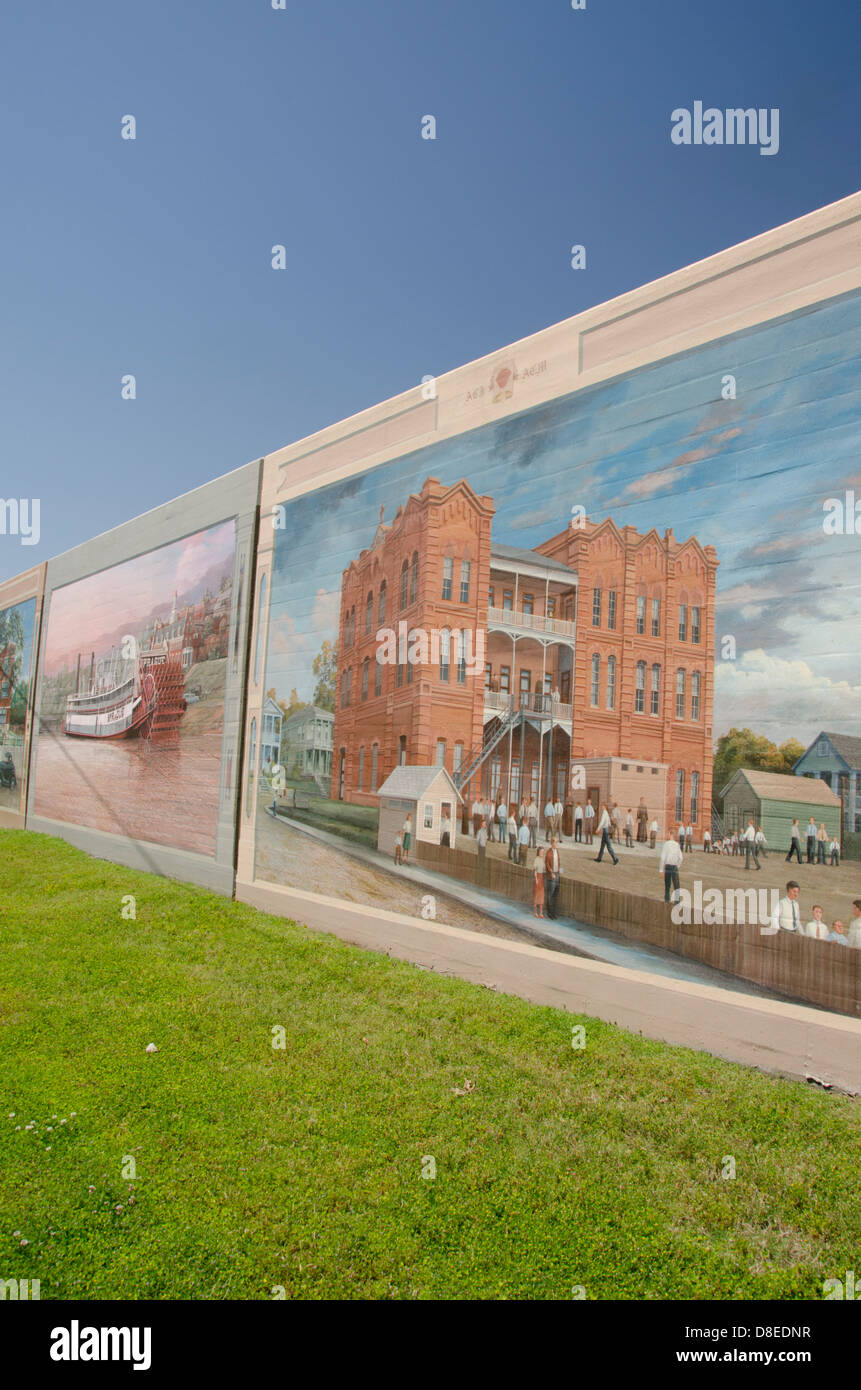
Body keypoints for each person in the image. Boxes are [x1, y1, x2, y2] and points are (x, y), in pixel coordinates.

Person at [659, 834, 683, 904]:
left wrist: (661, 870)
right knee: (676, 885)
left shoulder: (666, 844)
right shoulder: (677, 845)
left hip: (668, 866)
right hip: (674, 866)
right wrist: (677, 866)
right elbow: (681, 858)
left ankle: (667, 900)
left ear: (670, 836)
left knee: (667, 884)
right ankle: (677, 900)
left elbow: (663, 858)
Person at [544, 838, 561, 919]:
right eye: (555, 842)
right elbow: (547, 864)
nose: (556, 844)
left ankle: (554, 912)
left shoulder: (557, 851)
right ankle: (550, 912)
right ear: (552, 843)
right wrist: (551, 872)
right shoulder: (549, 852)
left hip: (557, 873)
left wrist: (560, 870)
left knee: (555, 894)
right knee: (550, 894)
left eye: (557, 842)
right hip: (552, 875)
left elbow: (558, 862)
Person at [532, 847, 546, 918]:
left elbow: (544, 869)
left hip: (542, 878)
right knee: (536, 895)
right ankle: (535, 912)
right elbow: (535, 870)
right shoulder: (536, 859)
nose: (542, 853)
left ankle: (541, 912)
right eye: (541, 852)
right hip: (537, 877)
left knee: (541, 895)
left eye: (543, 852)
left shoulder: (542, 860)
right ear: (538, 852)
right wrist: (536, 879)